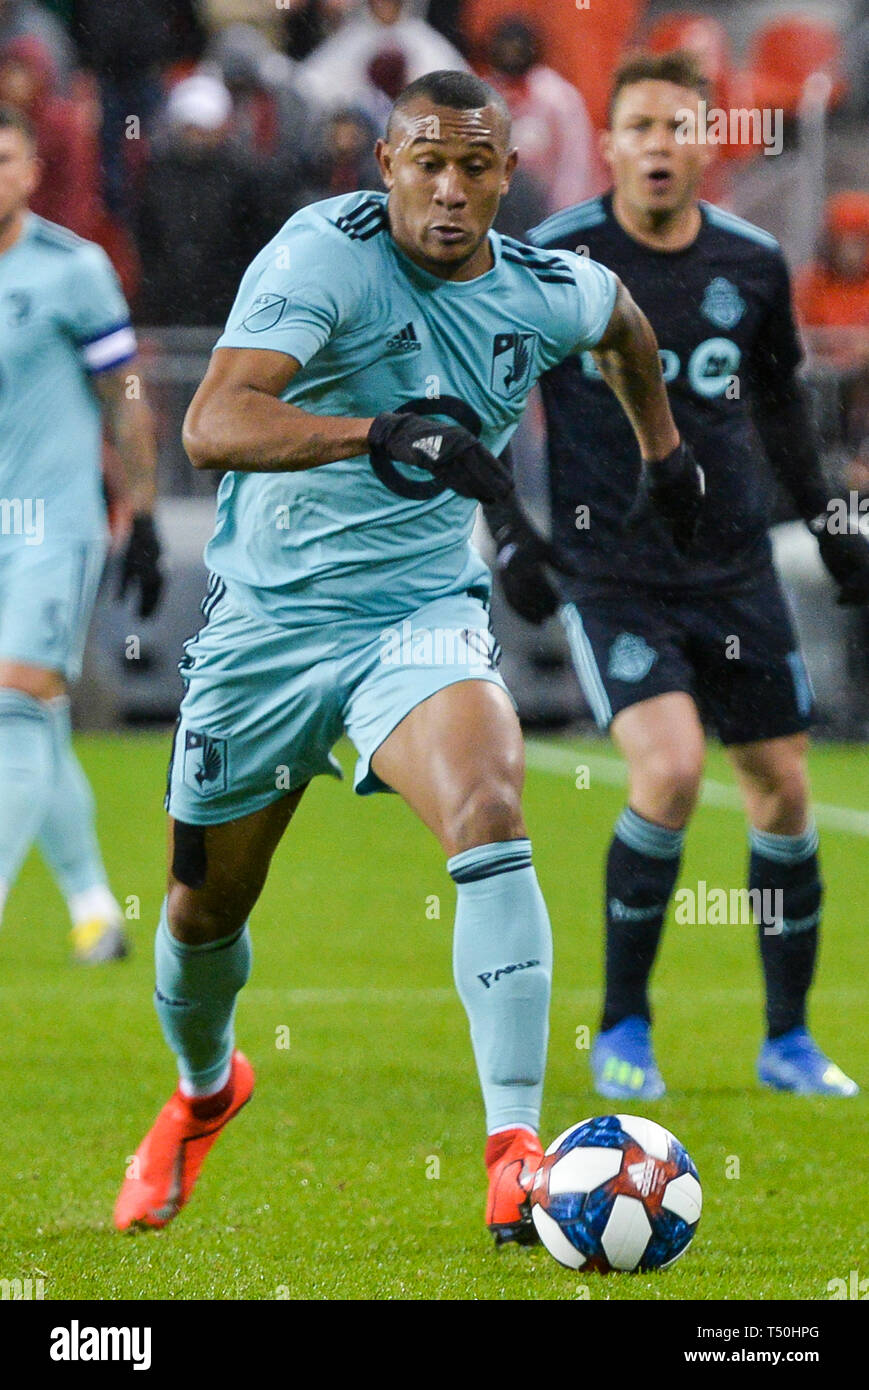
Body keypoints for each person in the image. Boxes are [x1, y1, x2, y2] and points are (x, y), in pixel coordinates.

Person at [112, 68, 703, 1244]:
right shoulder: (317, 256)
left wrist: (663, 453)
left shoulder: (541, 291)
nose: (446, 189)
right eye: (423, 163)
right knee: (200, 917)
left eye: (472, 168)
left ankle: (512, 1153)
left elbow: (624, 327)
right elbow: (212, 421)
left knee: (490, 802)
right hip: (267, 628)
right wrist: (379, 431)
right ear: (384, 166)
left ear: (504, 177)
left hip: (417, 615)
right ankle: (204, 1087)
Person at [487, 50, 869, 1100]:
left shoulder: (749, 264)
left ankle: (786, 1040)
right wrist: (507, 530)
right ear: (606, 145)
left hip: (732, 566)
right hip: (610, 569)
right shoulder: (554, 261)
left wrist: (834, 525)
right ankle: (623, 1028)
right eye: (639, 127)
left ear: (707, 142)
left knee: (782, 790)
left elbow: (785, 409)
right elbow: (483, 402)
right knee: (666, 769)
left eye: (676, 126)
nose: (658, 145)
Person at [0, 105, 163, 962]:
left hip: (50, 526)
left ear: (31, 171)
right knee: (33, 721)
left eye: (4, 159)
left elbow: (125, 395)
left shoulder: (72, 269)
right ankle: (95, 905)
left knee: (17, 704)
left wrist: (136, 512)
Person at [480, 17, 597, 216]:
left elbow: (575, 160)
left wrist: (563, 213)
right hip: (496, 206)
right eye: (505, 47)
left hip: (546, 208)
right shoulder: (482, 93)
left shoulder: (557, 95)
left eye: (517, 47)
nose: (511, 54)